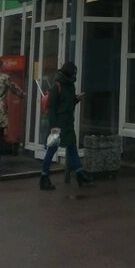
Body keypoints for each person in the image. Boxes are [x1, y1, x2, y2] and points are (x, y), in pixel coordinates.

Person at [39, 61, 92, 190]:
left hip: (68, 123)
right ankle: (44, 177)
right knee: (51, 150)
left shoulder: (70, 86)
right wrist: (53, 126)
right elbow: (52, 107)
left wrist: (76, 99)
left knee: (72, 148)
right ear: (68, 73)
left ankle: (79, 173)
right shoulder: (57, 86)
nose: (75, 76)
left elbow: (67, 104)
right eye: (73, 73)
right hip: (57, 125)